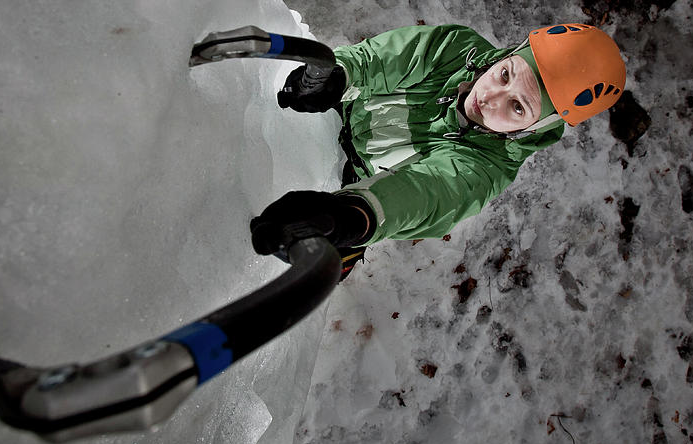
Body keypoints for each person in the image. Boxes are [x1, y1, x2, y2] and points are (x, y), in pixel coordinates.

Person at [250, 23, 626, 279]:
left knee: (336, 246)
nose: (490, 96)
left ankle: (346, 241)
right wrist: (336, 77)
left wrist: (352, 217)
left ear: (538, 126)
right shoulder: (457, 50)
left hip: (365, 182)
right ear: (511, 53)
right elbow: (388, 57)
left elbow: (429, 191)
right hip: (351, 107)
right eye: (506, 74)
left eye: (517, 107)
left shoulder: (485, 166)